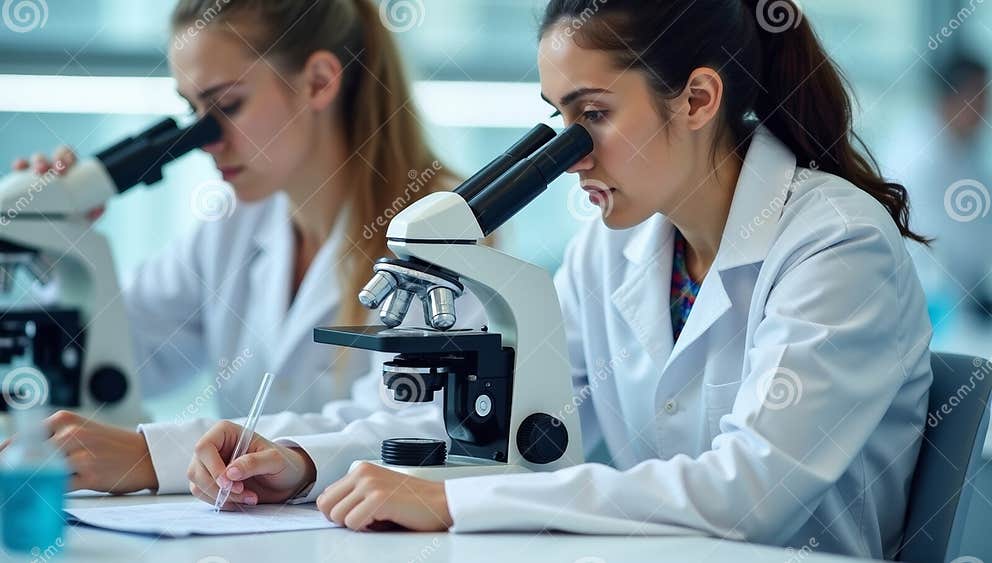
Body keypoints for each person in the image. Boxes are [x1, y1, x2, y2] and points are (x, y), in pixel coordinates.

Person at [185, 1, 933, 559]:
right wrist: (307, 461)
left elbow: (749, 492)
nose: (573, 154)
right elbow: (496, 421)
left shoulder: (836, 245)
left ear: (699, 99)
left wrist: (454, 500)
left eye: (594, 116)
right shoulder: (612, 251)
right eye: (559, 121)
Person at [7, 0, 474, 496]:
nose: (207, 140)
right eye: (193, 112)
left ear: (318, 81)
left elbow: (417, 427)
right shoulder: (233, 228)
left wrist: (153, 456)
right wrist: (60, 239)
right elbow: (121, 358)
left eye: (226, 106)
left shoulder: (442, 230)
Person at [881, 53, 992, 325]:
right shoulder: (921, 155)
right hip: (931, 305)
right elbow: (951, 245)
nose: (984, 111)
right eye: (979, 98)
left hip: (957, 300)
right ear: (956, 97)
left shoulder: (958, 146)